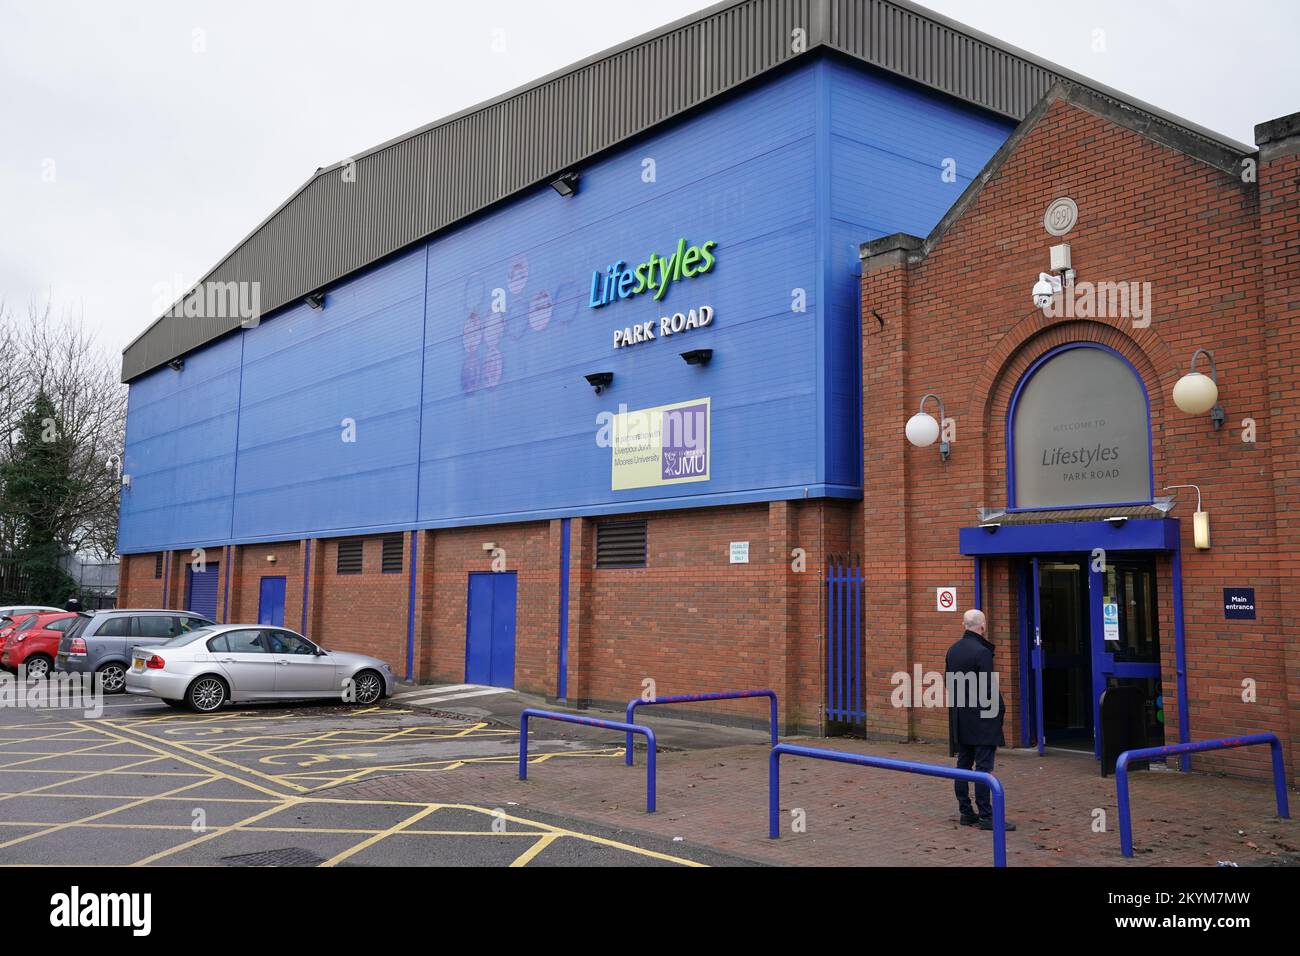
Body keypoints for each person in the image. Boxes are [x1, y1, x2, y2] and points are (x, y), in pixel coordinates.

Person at [945, 609, 1015, 832]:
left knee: (963, 765)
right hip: (982, 719)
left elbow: (949, 684)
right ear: (982, 625)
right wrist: (998, 713)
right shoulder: (982, 652)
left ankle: (966, 812)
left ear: (964, 624)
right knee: (983, 768)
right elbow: (988, 690)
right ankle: (986, 816)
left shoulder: (953, 650)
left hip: (961, 717)